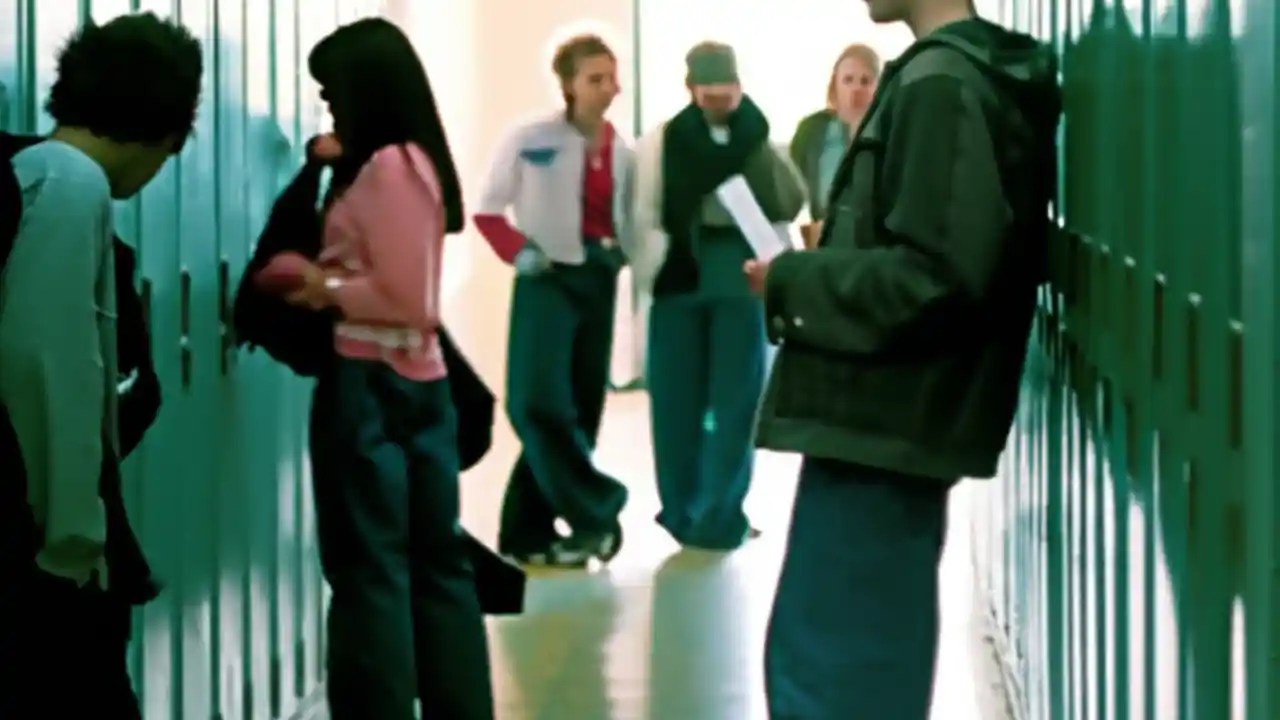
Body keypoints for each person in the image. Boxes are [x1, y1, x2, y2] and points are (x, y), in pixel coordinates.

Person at [744, 0, 1062, 716]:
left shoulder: (940, 85)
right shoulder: (945, 76)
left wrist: (794, 279)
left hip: (883, 426)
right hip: (887, 426)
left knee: (832, 674)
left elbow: (939, 276)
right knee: (839, 660)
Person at [282, 17, 494, 719]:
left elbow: (405, 297)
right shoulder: (405, 163)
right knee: (438, 570)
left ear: (366, 88)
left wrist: (324, 289)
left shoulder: (392, 168)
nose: (329, 105)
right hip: (417, 385)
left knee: (370, 571)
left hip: (371, 385)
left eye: (333, 91)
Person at [0, 12, 202, 718]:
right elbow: (46, 370)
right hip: (45, 559)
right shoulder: (68, 184)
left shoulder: (34, 172)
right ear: (172, 133)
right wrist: (73, 538)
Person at [630, 41, 805, 551]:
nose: (717, 97)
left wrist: (760, 151)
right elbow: (643, 209)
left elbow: (790, 201)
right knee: (676, 399)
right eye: (707, 87)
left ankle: (719, 513)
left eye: (725, 85)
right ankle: (683, 509)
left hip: (741, 269)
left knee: (738, 400)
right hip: (680, 271)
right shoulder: (665, 140)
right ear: (690, 87)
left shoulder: (757, 135)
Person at [474, 34, 633, 568]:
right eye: (595, 79)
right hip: (545, 276)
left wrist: (627, 256)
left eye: (612, 77)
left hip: (599, 276)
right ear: (567, 84)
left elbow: (634, 216)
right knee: (535, 401)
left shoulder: (622, 150)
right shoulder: (531, 137)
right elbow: (488, 210)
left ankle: (527, 532)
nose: (608, 89)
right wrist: (518, 252)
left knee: (579, 409)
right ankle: (599, 508)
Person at [789, 43, 882, 247]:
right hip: (822, 238)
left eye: (865, 81)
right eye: (848, 80)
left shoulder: (888, 132)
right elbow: (790, 189)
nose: (856, 89)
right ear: (835, 85)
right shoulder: (811, 131)